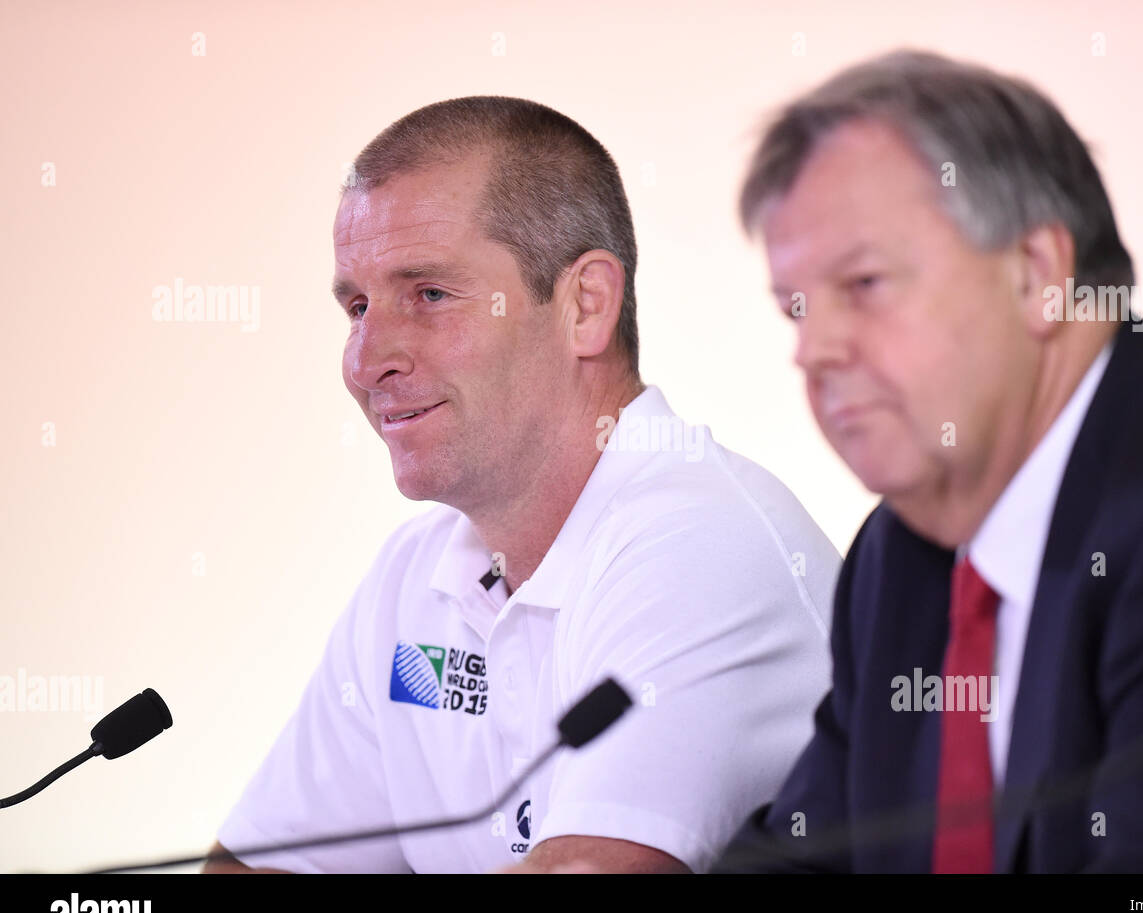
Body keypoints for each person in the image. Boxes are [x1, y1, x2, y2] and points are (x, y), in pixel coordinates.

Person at [204, 96, 838, 873]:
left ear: (586, 305)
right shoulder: (412, 578)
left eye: (430, 295)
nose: (367, 363)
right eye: (357, 306)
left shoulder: (697, 545)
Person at [715, 50, 1143, 872]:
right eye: (796, 311)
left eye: (866, 284)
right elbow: (811, 850)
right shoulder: (902, 550)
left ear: (1035, 276)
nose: (814, 351)